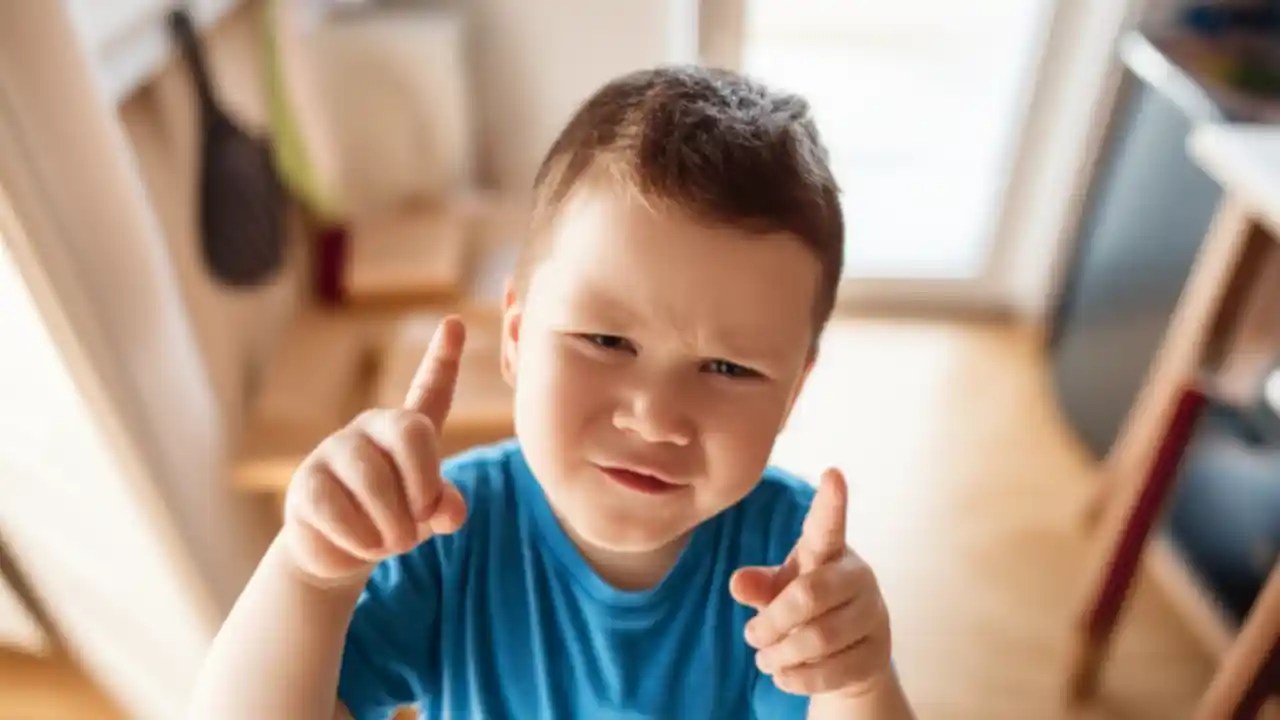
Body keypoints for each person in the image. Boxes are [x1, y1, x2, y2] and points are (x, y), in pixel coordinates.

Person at [188, 66, 915, 719]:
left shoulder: (785, 562)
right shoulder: (445, 536)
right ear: (514, 338)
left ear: (791, 396)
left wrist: (856, 683)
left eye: (728, 369)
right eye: (607, 341)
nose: (657, 418)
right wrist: (310, 574)